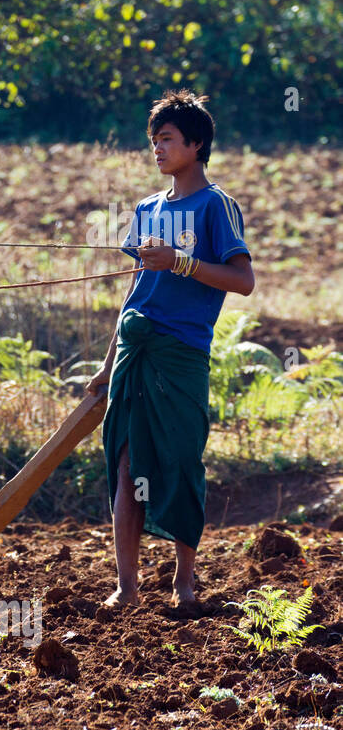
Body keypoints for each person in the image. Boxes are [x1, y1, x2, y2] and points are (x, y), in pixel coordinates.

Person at [87, 89, 255, 612]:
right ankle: (127, 587)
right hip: (135, 351)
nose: (157, 149)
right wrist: (107, 361)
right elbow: (135, 291)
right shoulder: (146, 209)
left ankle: (184, 584)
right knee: (126, 465)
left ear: (196, 144)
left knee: (180, 462)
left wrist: (180, 262)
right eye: (153, 140)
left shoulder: (217, 206)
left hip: (180, 352)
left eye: (167, 140)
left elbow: (243, 280)